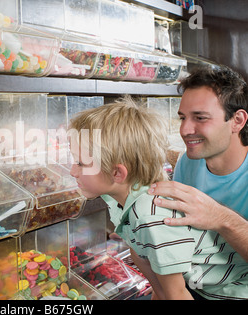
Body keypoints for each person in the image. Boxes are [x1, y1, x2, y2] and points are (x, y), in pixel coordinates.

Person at [69, 96, 248, 300]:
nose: (73, 171)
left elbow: (177, 295)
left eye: (80, 163)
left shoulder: (151, 216)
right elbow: (157, 282)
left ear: (117, 173)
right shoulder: (125, 203)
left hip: (230, 292)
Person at [147, 65, 248, 262]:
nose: (184, 130)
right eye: (183, 118)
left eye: (200, 118)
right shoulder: (188, 163)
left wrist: (221, 218)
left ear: (237, 120)